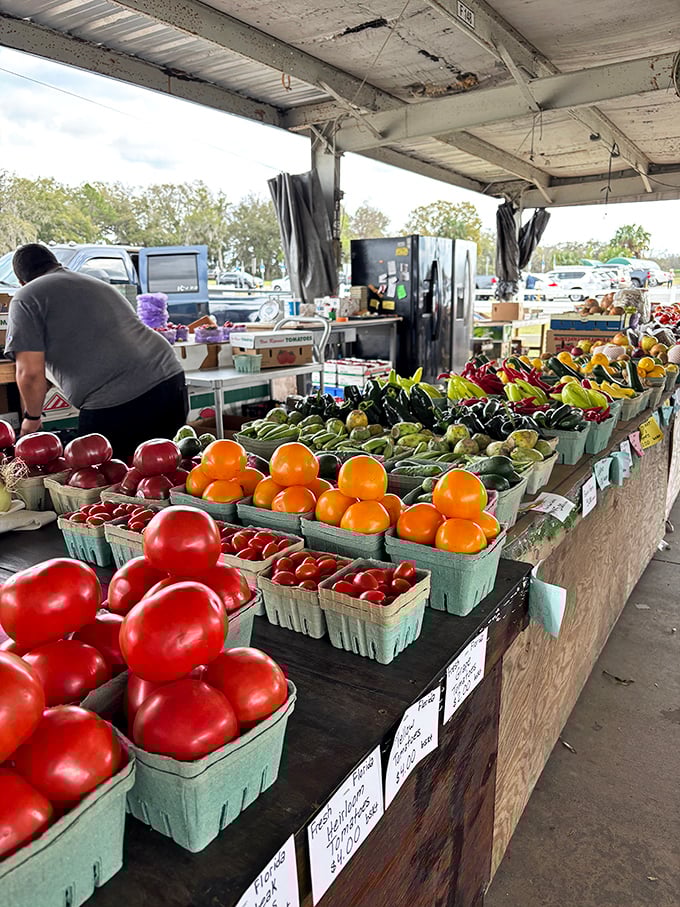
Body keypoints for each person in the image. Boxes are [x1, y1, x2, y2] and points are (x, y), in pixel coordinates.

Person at [4, 243, 188, 460]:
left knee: (108, 480)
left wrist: (31, 419)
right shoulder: (91, 282)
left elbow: (30, 373)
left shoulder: (25, 296)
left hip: (117, 403)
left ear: (20, 282)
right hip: (169, 380)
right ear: (56, 264)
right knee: (162, 471)